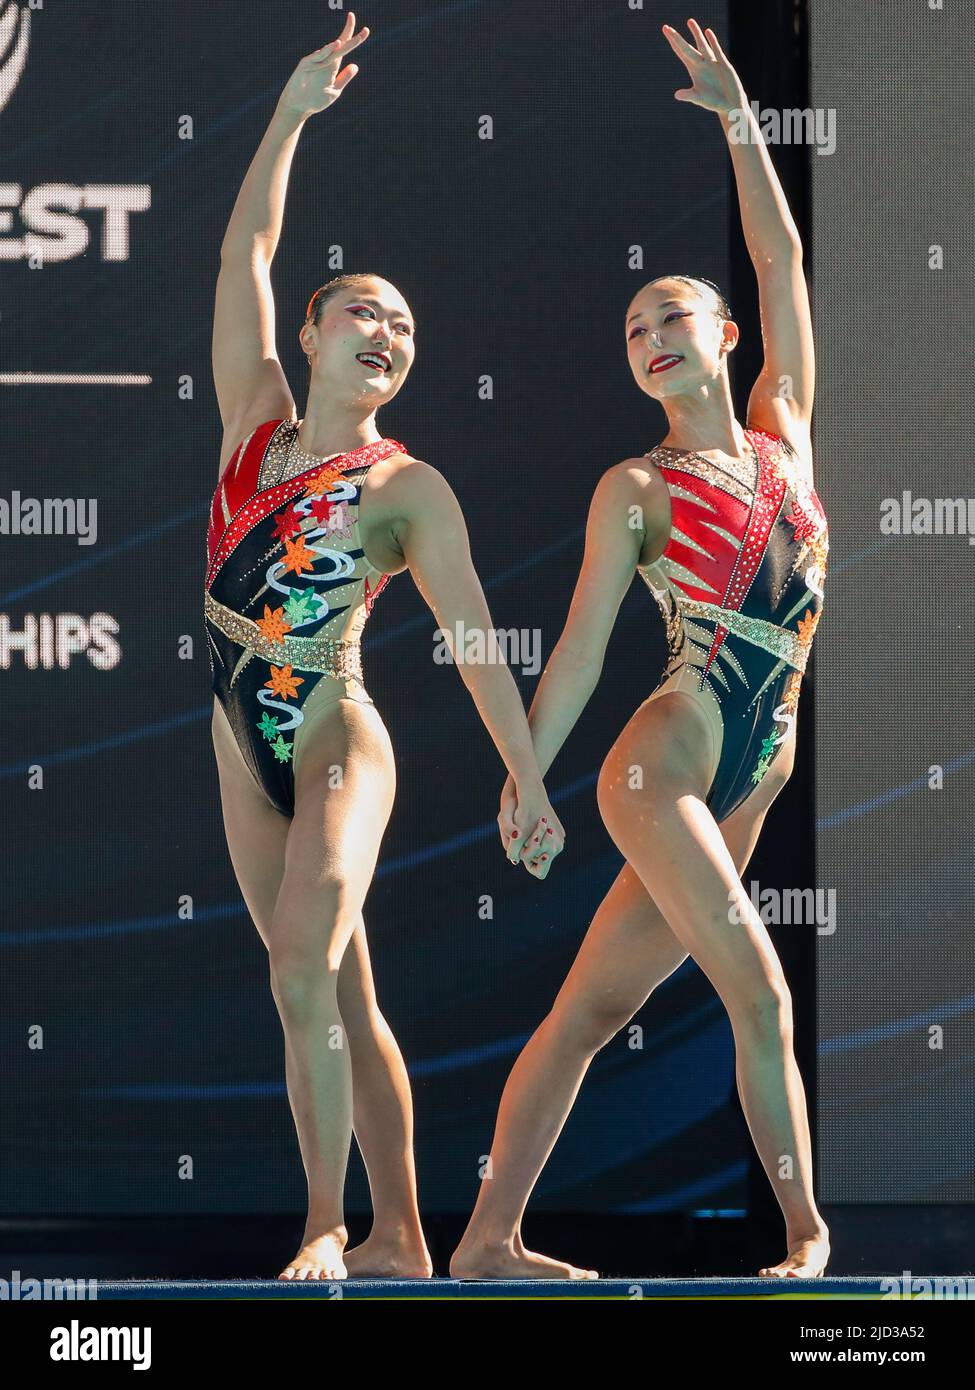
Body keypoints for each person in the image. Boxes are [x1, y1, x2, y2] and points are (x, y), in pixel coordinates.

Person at [451, 19, 830, 1280]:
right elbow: (575, 651)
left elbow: (778, 257)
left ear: (724, 337)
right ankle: (808, 1236)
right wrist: (527, 772)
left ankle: (488, 1241)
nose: (653, 336)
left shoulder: (784, 433)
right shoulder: (636, 486)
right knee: (761, 995)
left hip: (753, 773)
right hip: (661, 766)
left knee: (588, 1013)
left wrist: (738, 121)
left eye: (674, 314)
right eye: (633, 330)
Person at [206, 13, 564, 1281]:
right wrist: (290, 112)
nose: (386, 330)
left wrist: (524, 771)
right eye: (363, 308)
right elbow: (250, 245)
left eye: (405, 324)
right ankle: (415, 1237)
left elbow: (473, 640)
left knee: (303, 963)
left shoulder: (408, 487)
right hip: (236, 736)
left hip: (337, 729)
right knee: (337, 997)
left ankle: (325, 1224)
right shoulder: (254, 420)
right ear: (311, 338)